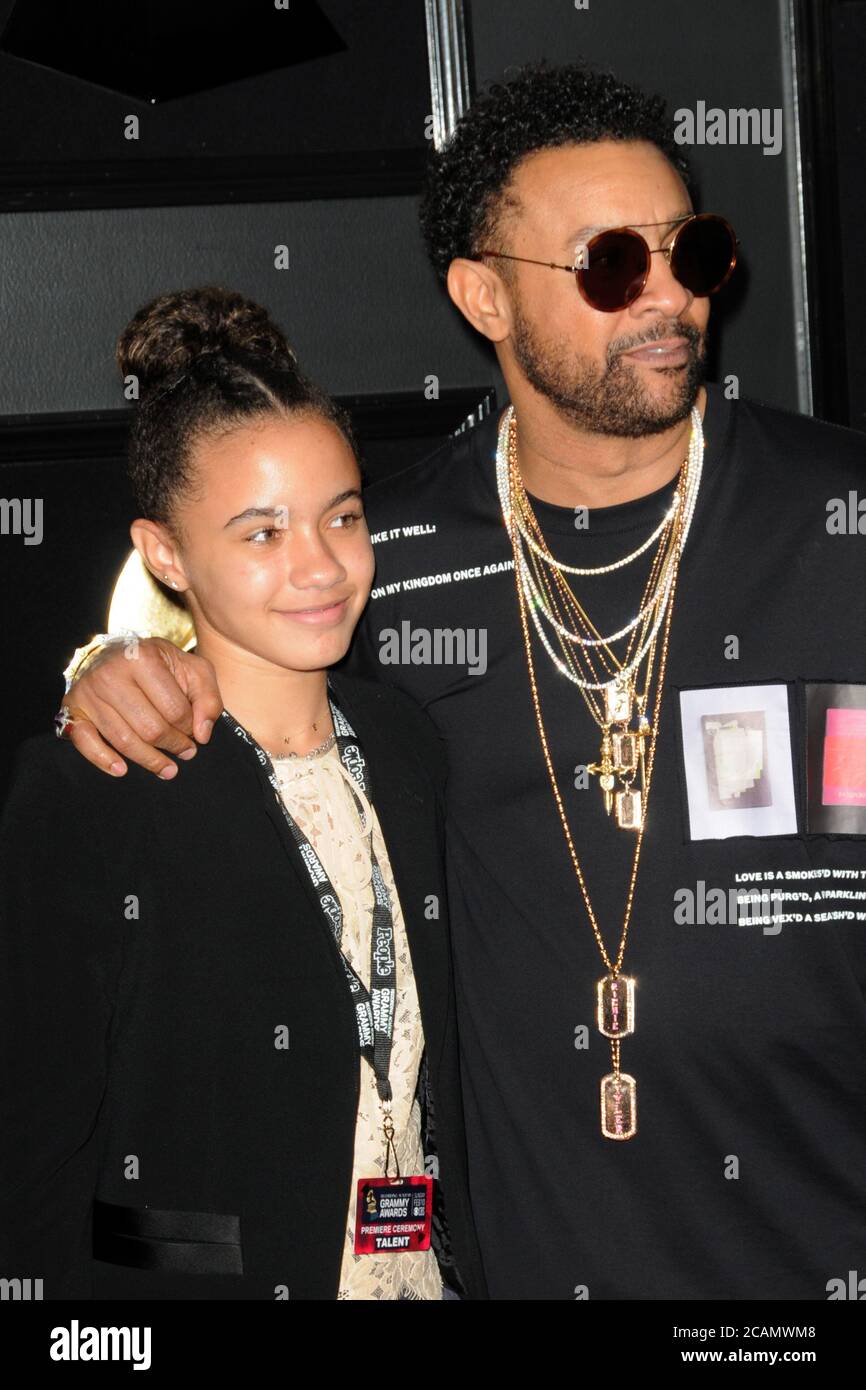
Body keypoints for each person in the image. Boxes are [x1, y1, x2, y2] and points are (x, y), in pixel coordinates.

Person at [47, 62, 866, 1300]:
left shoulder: (838, 518)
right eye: (607, 264)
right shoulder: (386, 557)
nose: (667, 299)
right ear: (481, 295)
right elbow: (242, 673)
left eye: (686, 250)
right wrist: (107, 670)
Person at [0, 285, 488, 1302]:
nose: (318, 566)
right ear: (167, 554)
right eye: (261, 533)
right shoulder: (94, 782)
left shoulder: (406, 745)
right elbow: (30, 1151)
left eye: (341, 516)